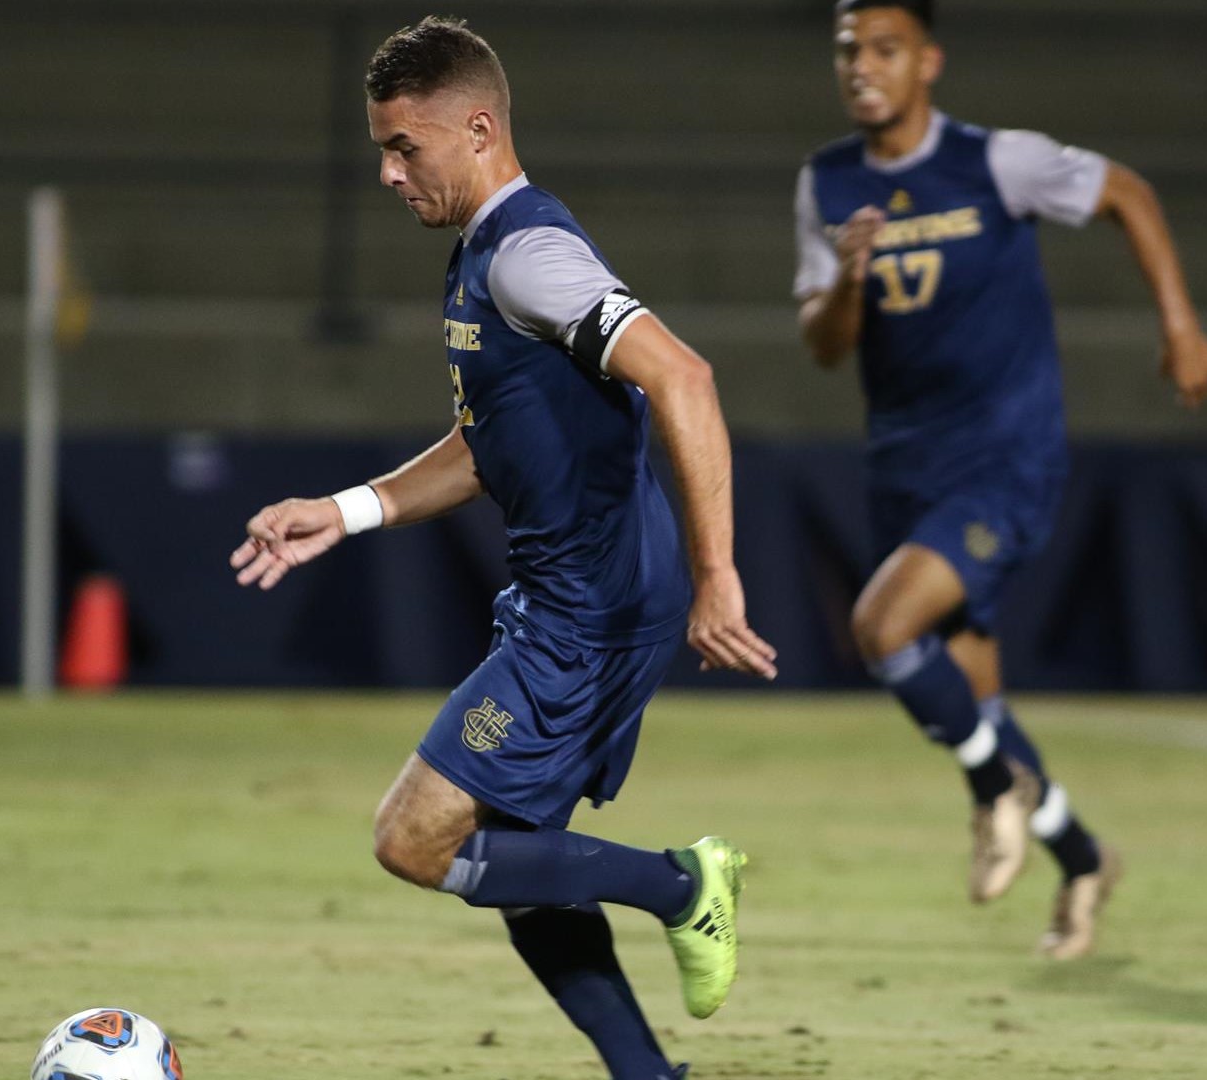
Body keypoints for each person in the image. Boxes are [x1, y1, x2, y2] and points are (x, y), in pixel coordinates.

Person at [231, 16, 779, 1079]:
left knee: (413, 838)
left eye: (405, 147)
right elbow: (489, 449)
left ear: (477, 130)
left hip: (591, 613)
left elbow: (683, 375)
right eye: (382, 149)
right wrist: (341, 513)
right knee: (525, 868)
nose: (388, 173)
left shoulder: (529, 255)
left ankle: (685, 886)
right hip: (572, 600)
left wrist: (720, 575)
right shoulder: (482, 253)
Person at [794, 0, 1207, 959]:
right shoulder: (825, 182)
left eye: (885, 48)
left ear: (929, 62)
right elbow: (824, 347)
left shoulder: (997, 162)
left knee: (881, 628)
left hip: (1004, 461)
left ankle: (999, 796)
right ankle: (1081, 856)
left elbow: (1129, 195)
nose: (862, 65)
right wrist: (850, 280)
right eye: (848, 49)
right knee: (971, 708)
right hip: (904, 468)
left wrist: (1182, 325)